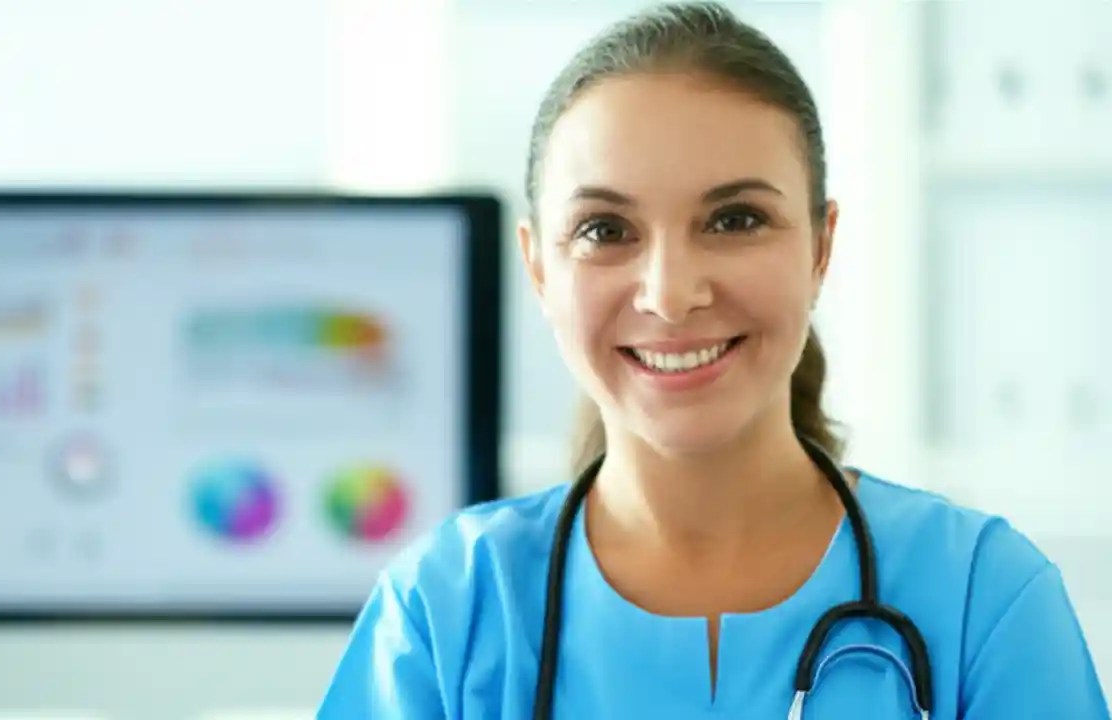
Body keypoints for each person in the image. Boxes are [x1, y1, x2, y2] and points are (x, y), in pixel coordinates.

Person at [317, 2, 1109, 717]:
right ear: (537, 269)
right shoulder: (443, 615)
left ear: (820, 246)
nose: (669, 293)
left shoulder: (983, 599)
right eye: (604, 229)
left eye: (734, 219)